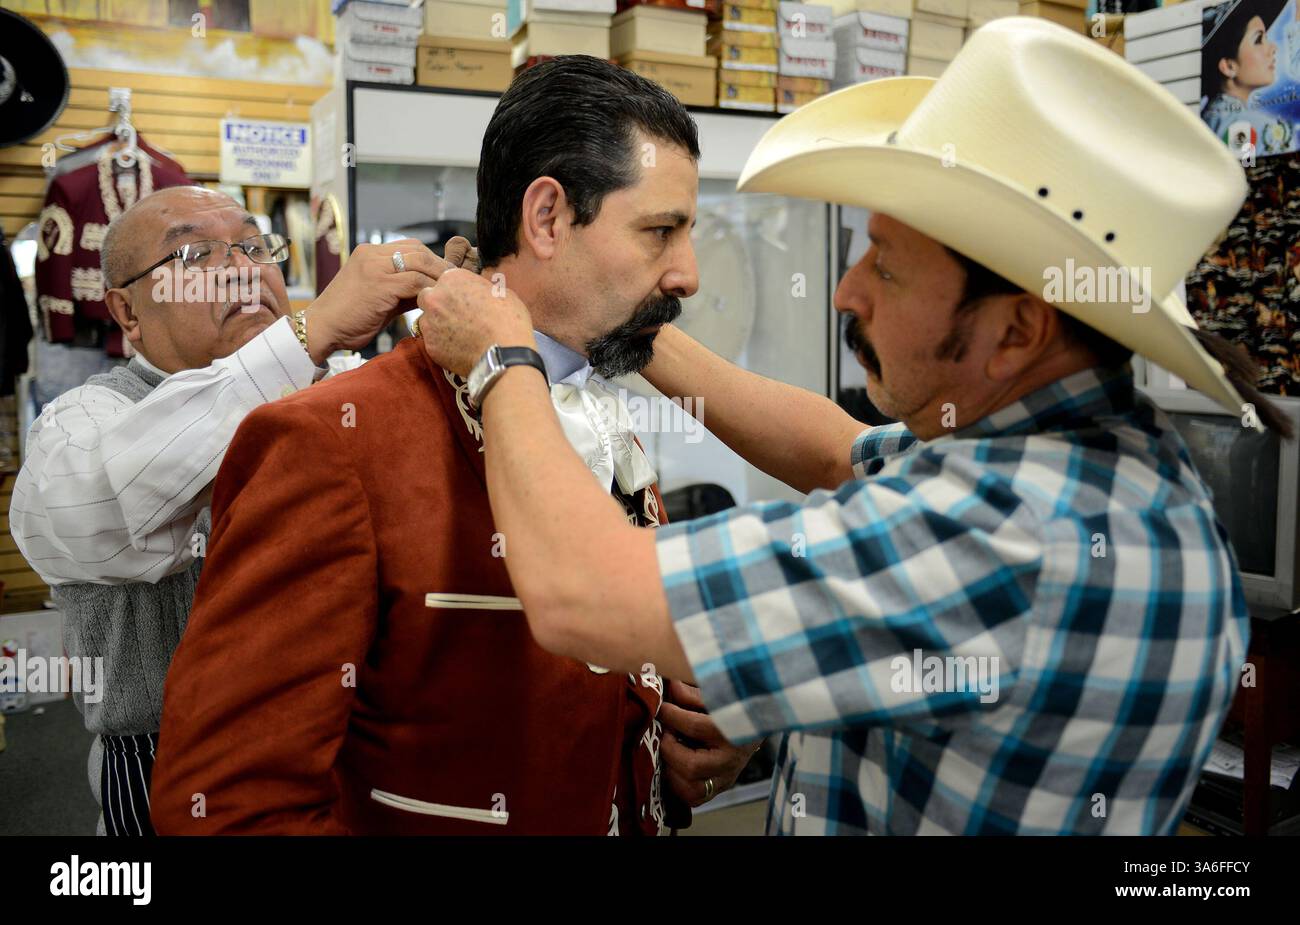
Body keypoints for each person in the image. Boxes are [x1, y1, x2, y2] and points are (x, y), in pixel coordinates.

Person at [415, 18, 1295, 835]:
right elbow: (839, 452)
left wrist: (504, 359)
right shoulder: (1091, 463)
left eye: (890, 267)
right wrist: (621, 324)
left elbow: (583, 592)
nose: (847, 290)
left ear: (1017, 329)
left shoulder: (1011, 532)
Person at [148, 58, 753, 836]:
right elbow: (225, 807)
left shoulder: (605, 408)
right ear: (546, 218)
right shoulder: (329, 444)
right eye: (660, 230)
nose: (690, 274)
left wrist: (666, 746)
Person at [9, 184, 457, 835]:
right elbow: (102, 504)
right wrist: (312, 330)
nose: (244, 268)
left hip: (352, 740)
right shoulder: (85, 421)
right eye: (193, 257)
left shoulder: (334, 385)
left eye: (253, 245)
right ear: (126, 310)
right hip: (165, 760)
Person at [1200, 0, 1291, 156]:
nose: (1273, 48)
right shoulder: (1254, 126)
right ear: (1229, 67)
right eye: (1258, 40)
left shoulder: (1206, 120)